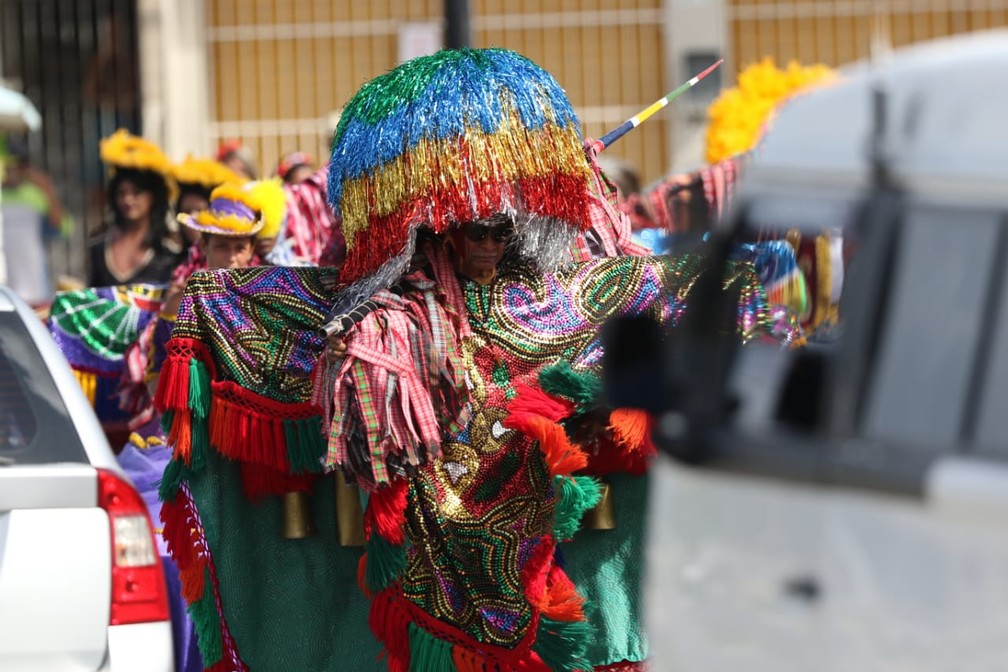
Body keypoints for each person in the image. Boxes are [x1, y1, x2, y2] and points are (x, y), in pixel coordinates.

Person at [116, 178, 284, 672]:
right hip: (185, 437)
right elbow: (160, 382)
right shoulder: (179, 303)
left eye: (240, 247)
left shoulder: (270, 299)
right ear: (203, 247)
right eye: (222, 246)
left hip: (249, 440)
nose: (232, 256)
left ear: (252, 250)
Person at [88, 130, 183, 286]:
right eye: (121, 193)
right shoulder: (99, 246)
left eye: (137, 193)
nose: (128, 200)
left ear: (154, 196)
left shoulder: (171, 249)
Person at [1, 136, 67, 306]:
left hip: (35, 291)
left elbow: (60, 227)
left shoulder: (36, 194)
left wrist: (47, 188)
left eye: (18, 166)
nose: (11, 171)